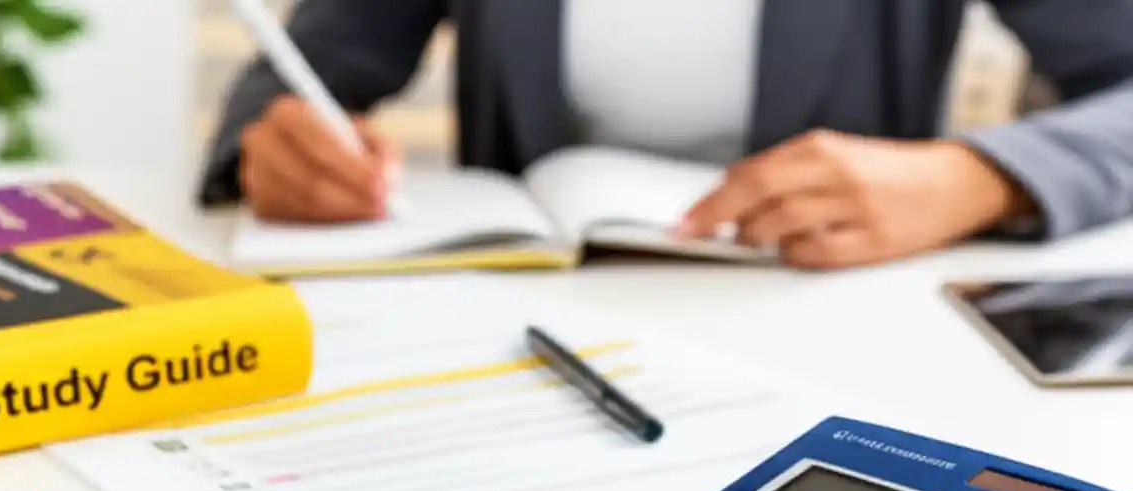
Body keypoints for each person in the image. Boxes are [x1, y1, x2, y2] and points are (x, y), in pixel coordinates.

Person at [199, 0, 1133, 269]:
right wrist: (270, 146)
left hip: (835, 321)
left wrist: (980, 176)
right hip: (521, 332)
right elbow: (306, 70)